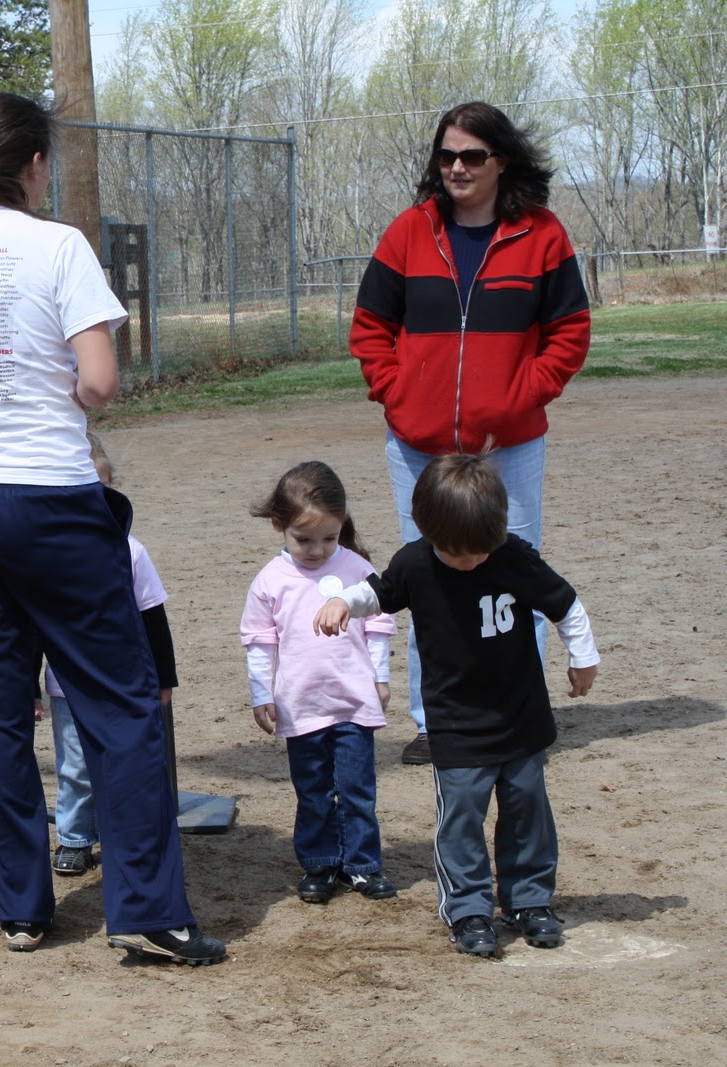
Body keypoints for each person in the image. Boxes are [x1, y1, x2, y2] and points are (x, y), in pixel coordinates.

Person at [0, 91, 224, 965]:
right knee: (120, 702)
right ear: (34, 165)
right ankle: (145, 904)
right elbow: (100, 383)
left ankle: (23, 907)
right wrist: (38, 391)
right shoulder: (60, 245)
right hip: (50, 499)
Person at [351, 101, 591, 766]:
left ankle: (520, 718)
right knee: (429, 575)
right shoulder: (408, 233)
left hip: (509, 445)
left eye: (472, 156)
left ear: (501, 160)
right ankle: (437, 722)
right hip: (417, 446)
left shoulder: (542, 236)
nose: (456, 167)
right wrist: (400, 396)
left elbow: (570, 332)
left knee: (514, 571)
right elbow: (370, 325)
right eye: (447, 155)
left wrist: (518, 400)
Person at [314, 453, 600, 957]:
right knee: (462, 819)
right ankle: (468, 909)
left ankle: (529, 900)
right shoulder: (416, 563)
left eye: (479, 552)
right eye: (456, 552)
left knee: (528, 811)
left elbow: (566, 604)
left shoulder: (513, 556)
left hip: (522, 717)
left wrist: (584, 658)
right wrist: (343, 603)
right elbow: (376, 593)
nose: (469, 562)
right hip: (457, 726)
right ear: (428, 530)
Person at [240, 461, 398, 904]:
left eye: (329, 538)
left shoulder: (357, 568)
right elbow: (259, 642)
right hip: (301, 704)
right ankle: (321, 863)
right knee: (312, 791)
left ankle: (363, 865)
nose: (316, 548)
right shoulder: (271, 579)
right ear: (279, 525)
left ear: (342, 525)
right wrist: (262, 694)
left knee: (356, 788)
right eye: (304, 539)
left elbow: (378, 626)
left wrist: (380, 678)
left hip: (352, 701)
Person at [43, 433, 177, 878]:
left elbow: (153, 616)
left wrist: (163, 678)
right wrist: (29, 683)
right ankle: (76, 837)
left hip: (124, 682)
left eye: (100, 492)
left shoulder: (132, 552)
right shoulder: (44, 557)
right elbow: (32, 628)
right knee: (77, 766)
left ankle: (122, 834)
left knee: (125, 761)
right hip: (67, 685)